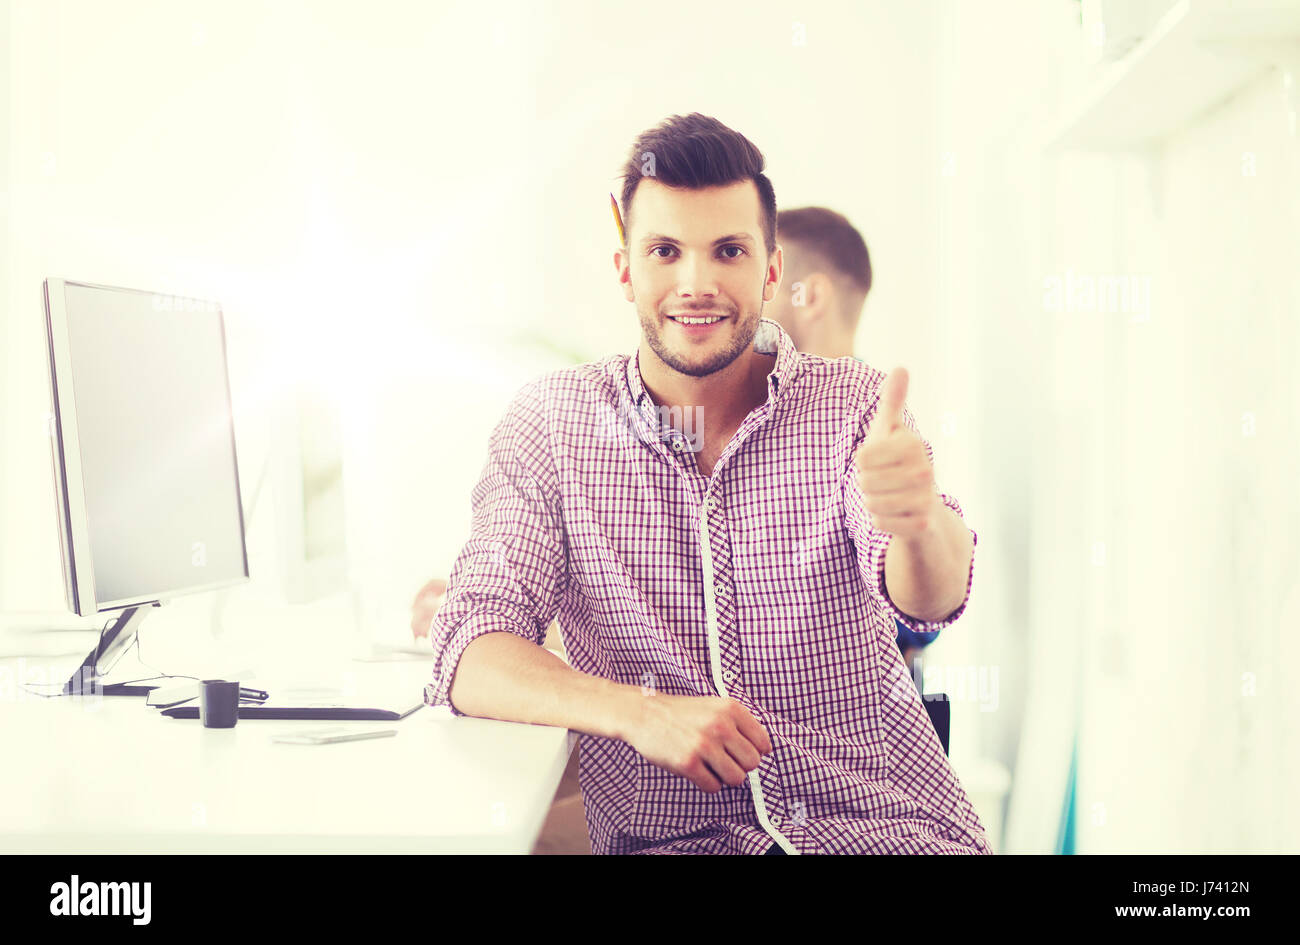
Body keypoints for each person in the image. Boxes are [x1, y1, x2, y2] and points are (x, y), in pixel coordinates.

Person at [416, 113, 987, 855]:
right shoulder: (553, 426)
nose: (696, 284)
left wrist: (918, 522)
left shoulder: (853, 404)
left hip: (886, 834)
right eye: (665, 251)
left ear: (771, 270)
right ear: (626, 268)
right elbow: (468, 649)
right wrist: (640, 711)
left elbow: (931, 598)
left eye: (728, 251)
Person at [761, 206, 940, 677]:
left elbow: (919, 617)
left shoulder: (875, 432)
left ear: (811, 296)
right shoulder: (756, 418)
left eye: (767, 285)